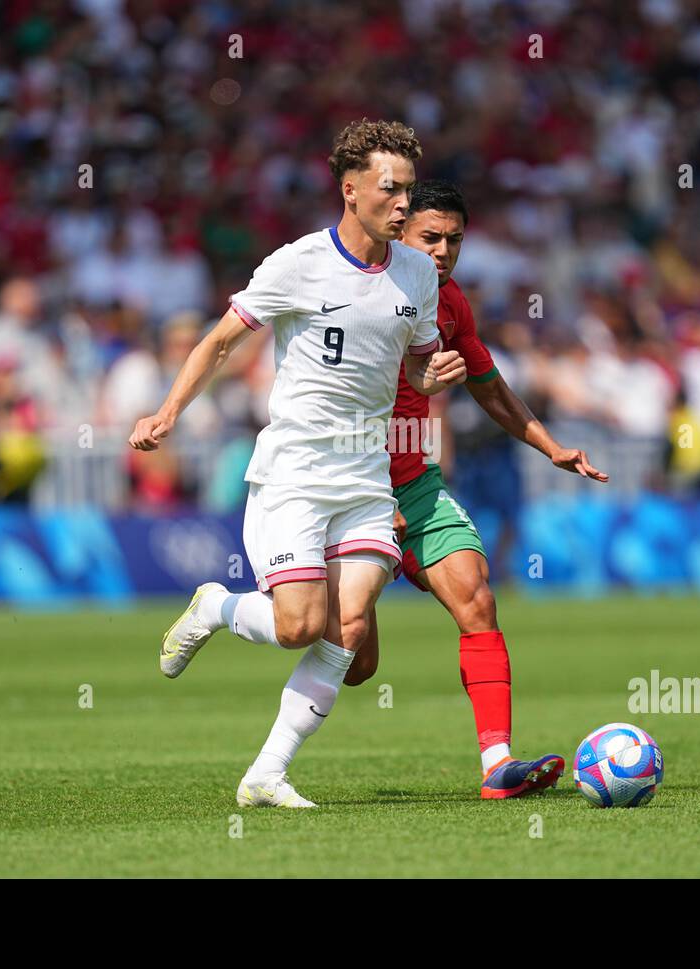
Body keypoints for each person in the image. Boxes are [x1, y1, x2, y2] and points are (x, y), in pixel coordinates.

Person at [128, 120, 466, 807]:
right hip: (295, 475)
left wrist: (433, 381)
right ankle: (217, 607)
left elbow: (417, 366)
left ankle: (267, 773)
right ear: (349, 189)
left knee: (348, 636)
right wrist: (169, 412)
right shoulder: (299, 263)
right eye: (389, 188)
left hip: (367, 477)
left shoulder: (414, 274)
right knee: (298, 627)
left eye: (407, 190)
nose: (403, 204)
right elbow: (220, 342)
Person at [346, 180, 609, 798]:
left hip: (414, 484)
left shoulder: (451, 303)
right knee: (357, 662)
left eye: (454, 240)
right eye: (429, 238)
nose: (442, 251)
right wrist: (375, 497)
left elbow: (489, 387)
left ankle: (497, 765)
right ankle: (224, 609)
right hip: (348, 487)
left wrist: (552, 448)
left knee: (477, 599)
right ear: (399, 232)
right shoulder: (356, 292)